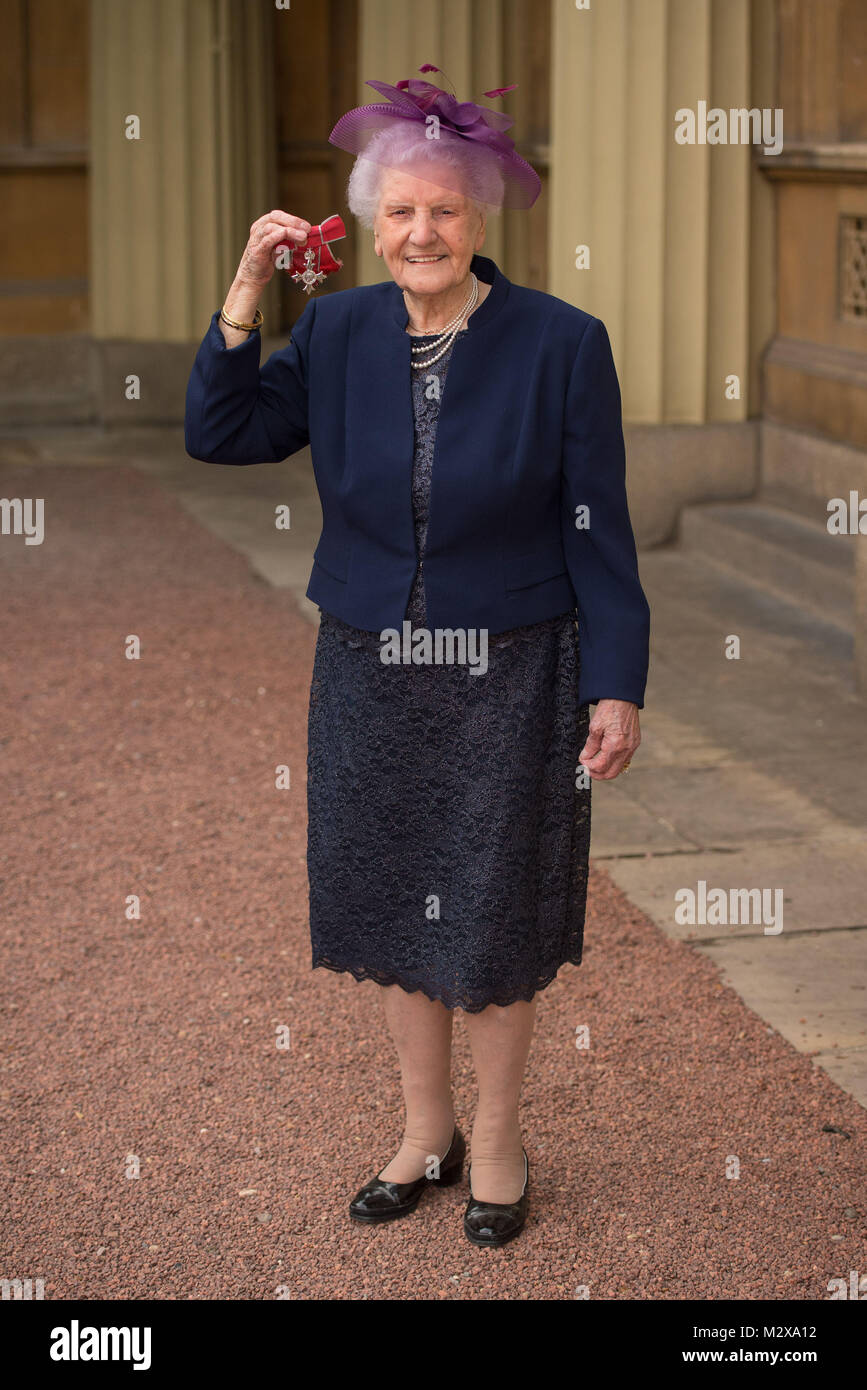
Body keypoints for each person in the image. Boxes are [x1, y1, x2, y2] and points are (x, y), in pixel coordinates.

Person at [184, 70, 650, 1248]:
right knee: (399, 903)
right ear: (370, 224)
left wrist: (617, 678)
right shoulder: (334, 328)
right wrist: (247, 289)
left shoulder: (561, 344)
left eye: (445, 210)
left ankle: (498, 1143)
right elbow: (223, 432)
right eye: (399, 211)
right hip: (371, 668)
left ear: (483, 221)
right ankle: (421, 1131)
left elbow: (598, 524)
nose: (422, 232)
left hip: (514, 670)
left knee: (490, 914)